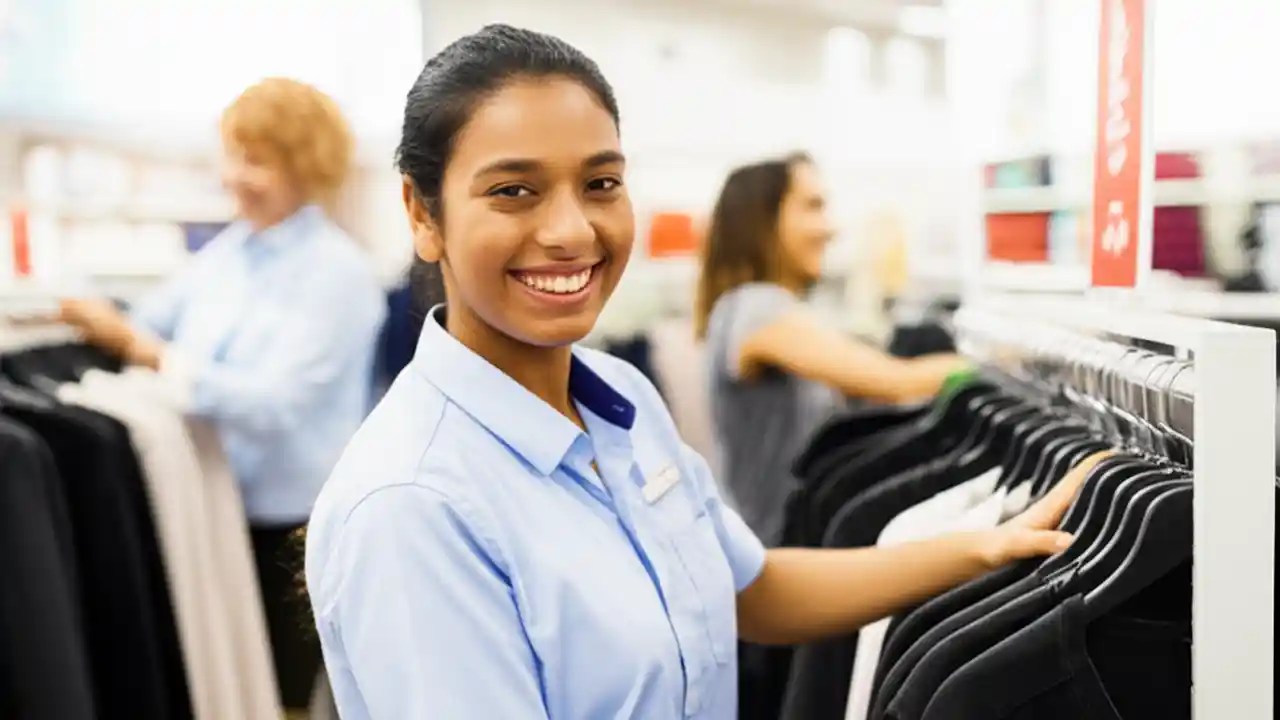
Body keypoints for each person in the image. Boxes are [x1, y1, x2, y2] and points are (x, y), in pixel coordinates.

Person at [303, 24, 1103, 720]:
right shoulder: (414, 506)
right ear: (421, 213)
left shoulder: (622, 400)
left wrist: (989, 547)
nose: (572, 229)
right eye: (513, 191)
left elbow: (749, 592)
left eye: (601, 183)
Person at [58, 77, 386, 714]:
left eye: (255, 159)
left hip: (294, 530)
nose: (234, 175)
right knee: (222, 686)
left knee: (283, 696)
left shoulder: (338, 275)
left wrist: (145, 351)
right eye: (232, 155)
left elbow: (273, 403)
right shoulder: (231, 255)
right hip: (213, 507)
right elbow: (153, 318)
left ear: (305, 164)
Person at [694, 154, 968, 544]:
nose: (830, 228)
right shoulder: (757, 307)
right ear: (763, 219)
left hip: (785, 546)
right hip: (779, 557)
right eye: (813, 206)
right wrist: (985, 370)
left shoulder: (759, 308)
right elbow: (895, 381)